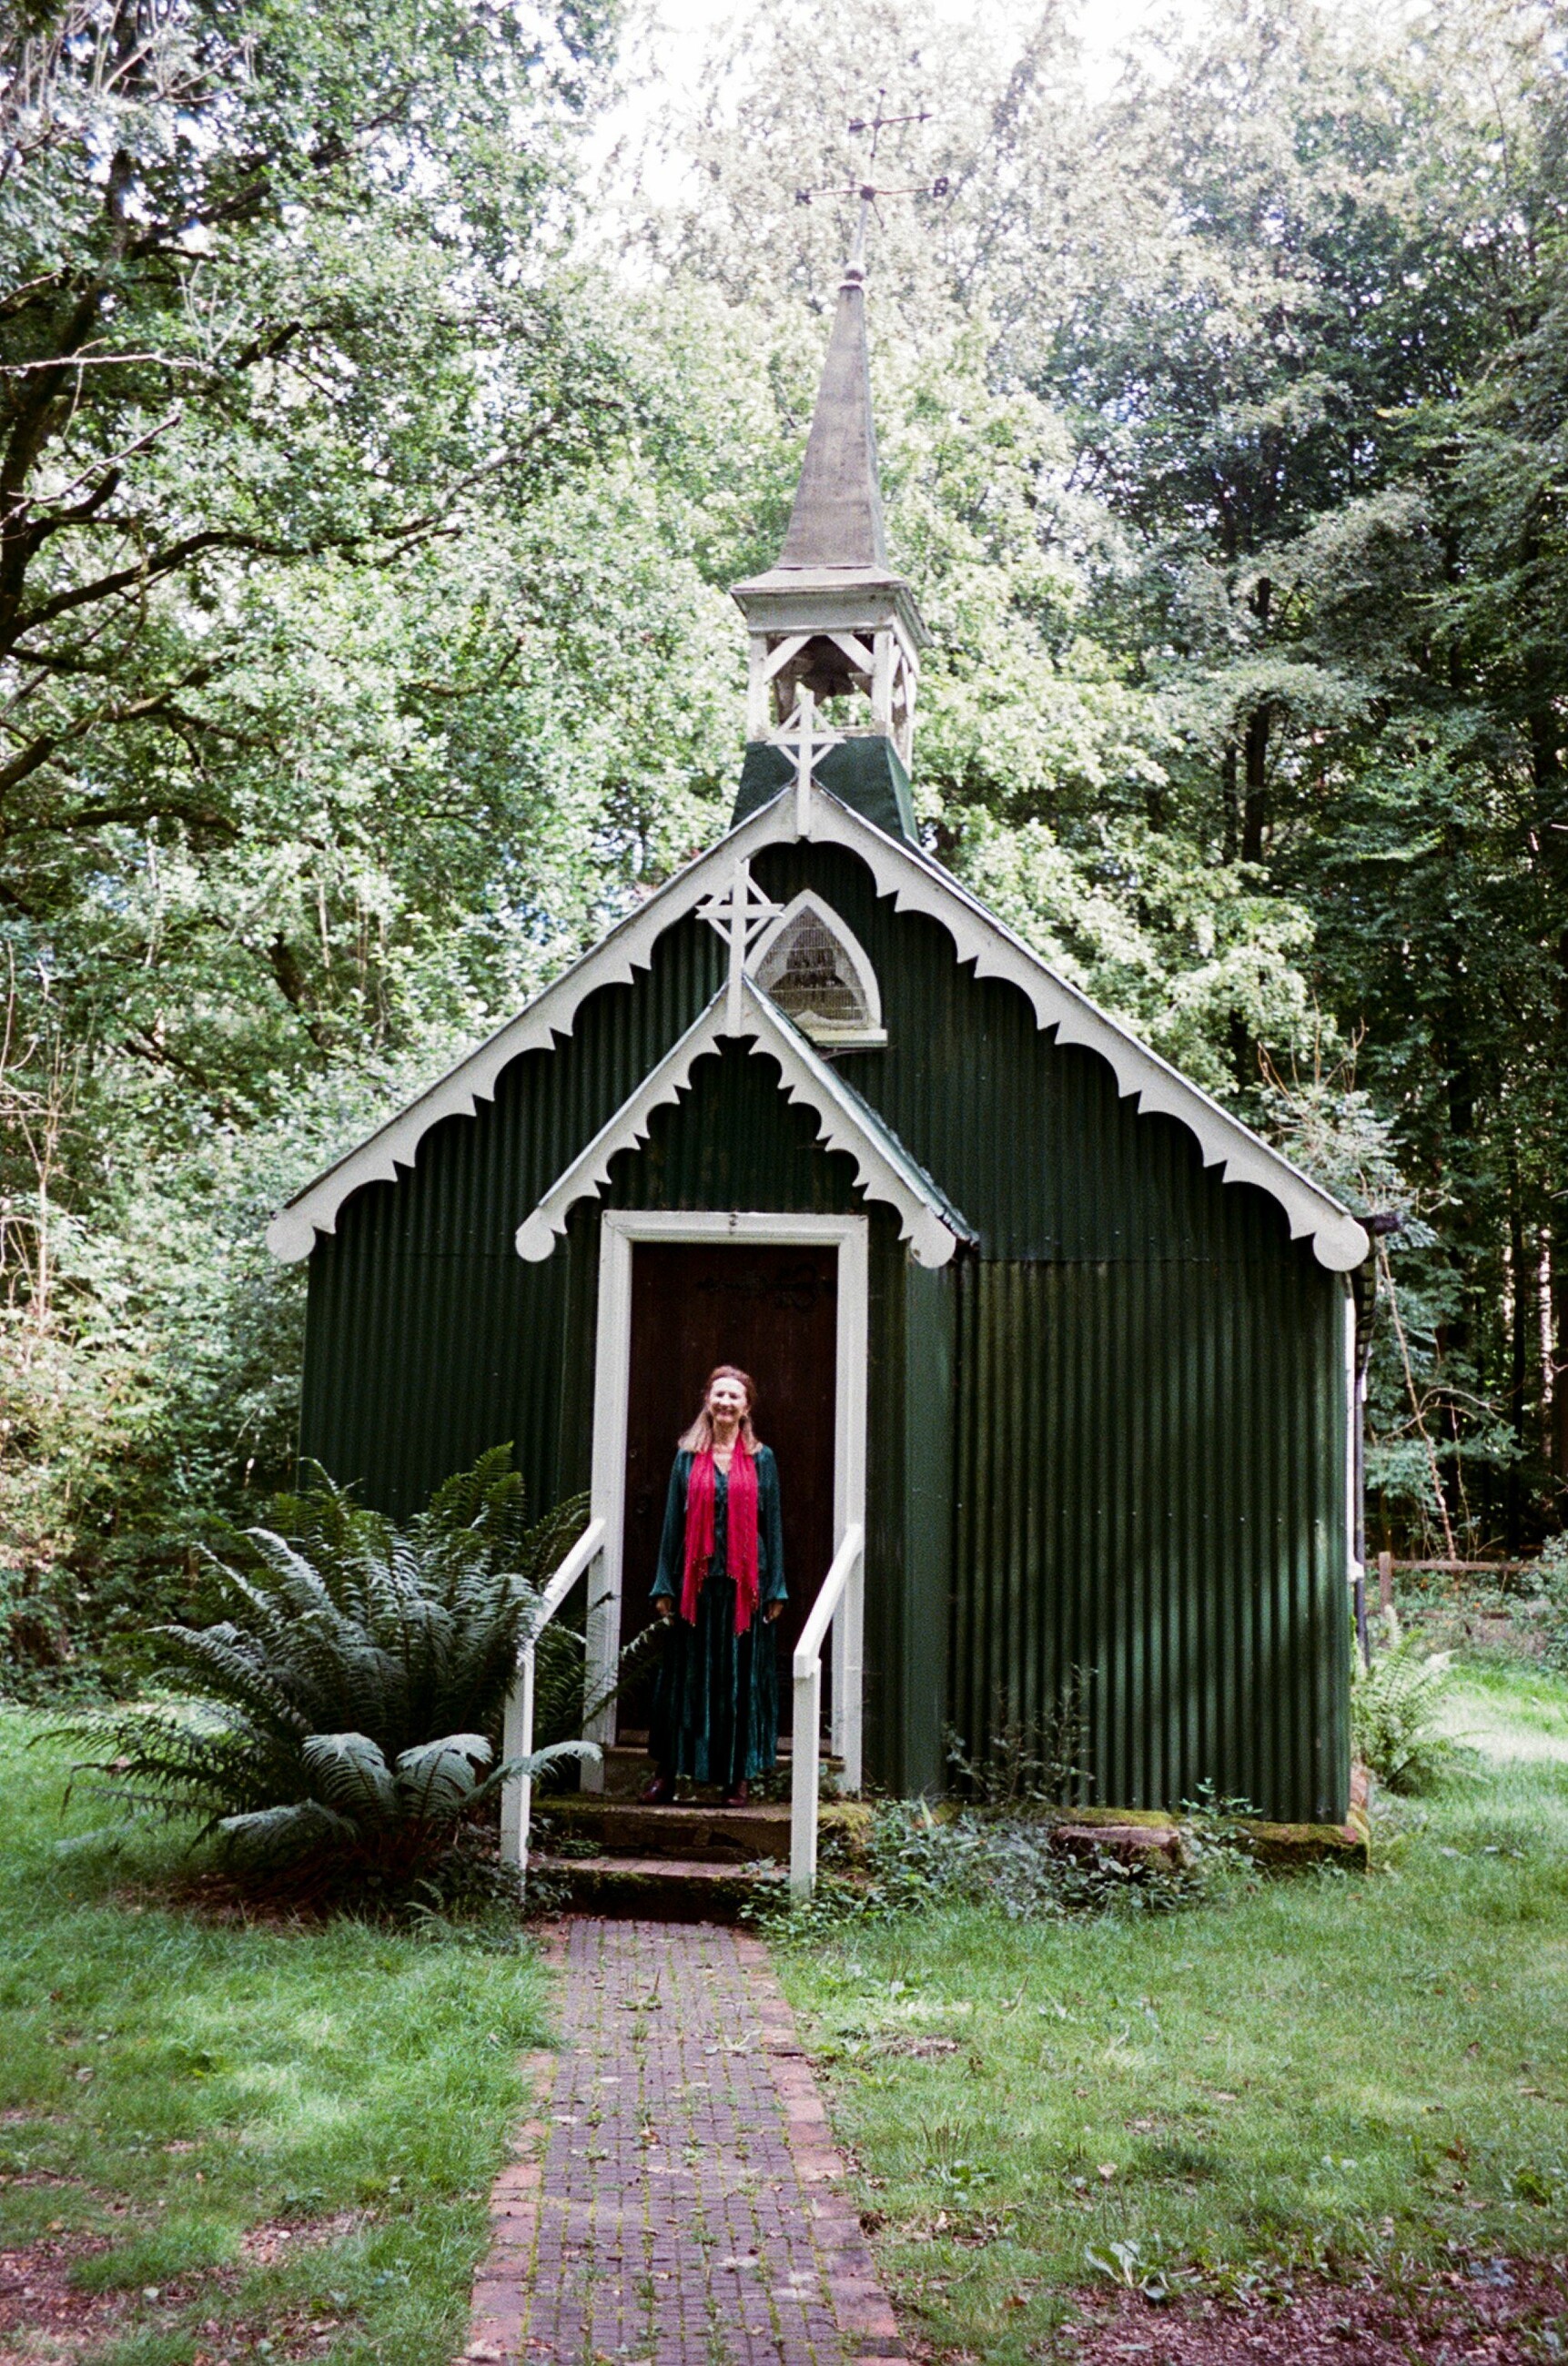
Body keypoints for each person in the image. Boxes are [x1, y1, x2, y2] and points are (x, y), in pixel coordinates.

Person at [643, 1365, 786, 1808]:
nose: (725, 1402)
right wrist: (664, 1584)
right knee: (684, 1683)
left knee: (740, 1683)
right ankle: (667, 1775)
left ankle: (737, 1779)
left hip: (746, 1590)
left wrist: (776, 1588)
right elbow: (672, 1523)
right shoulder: (687, 1458)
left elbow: (772, 1525)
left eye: (734, 1396)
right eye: (719, 1394)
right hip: (695, 1588)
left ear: (746, 1407)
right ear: (708, 1400)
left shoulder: (762, 1459)